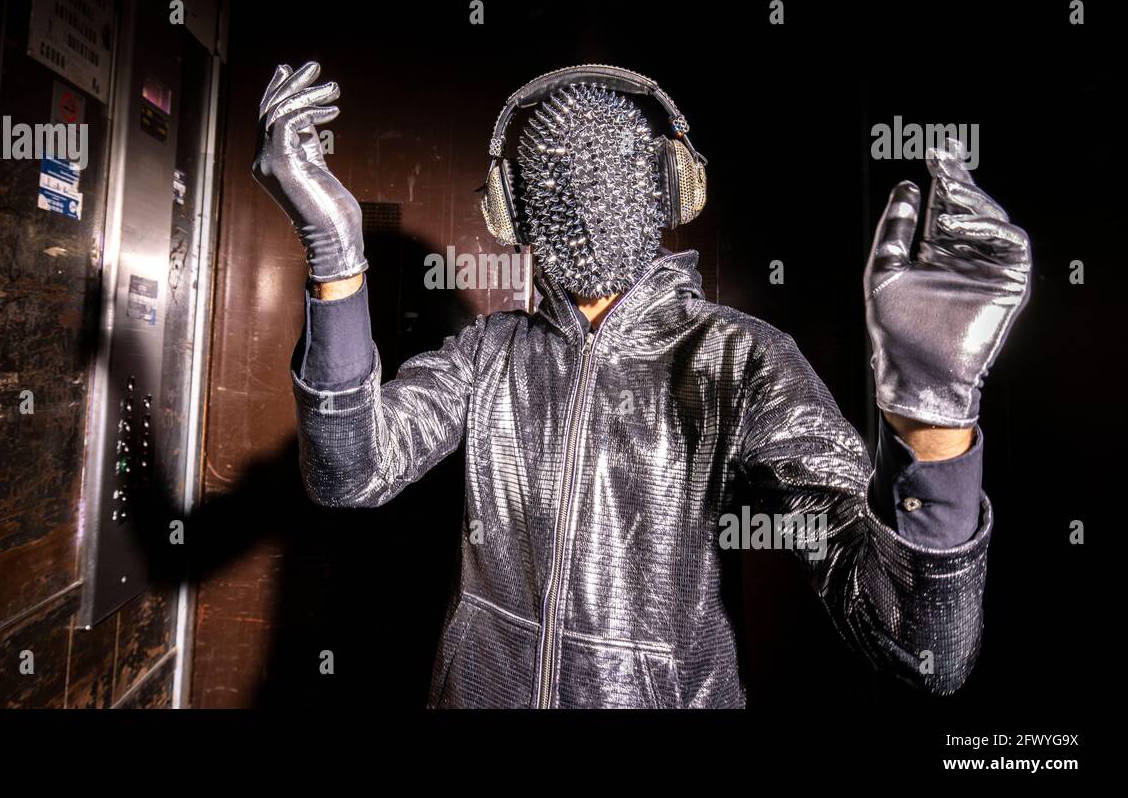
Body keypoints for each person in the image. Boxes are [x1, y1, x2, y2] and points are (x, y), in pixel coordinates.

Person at [251, 60, 1031, 709]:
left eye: (610, 164)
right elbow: (348, 473)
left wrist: (934, 422)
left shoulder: (741, 359)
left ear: (668, 185)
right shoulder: (488, 353)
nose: (586, 192)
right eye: (559, 173)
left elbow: (922, 649)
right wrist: (335, 254)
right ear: (514, 207)